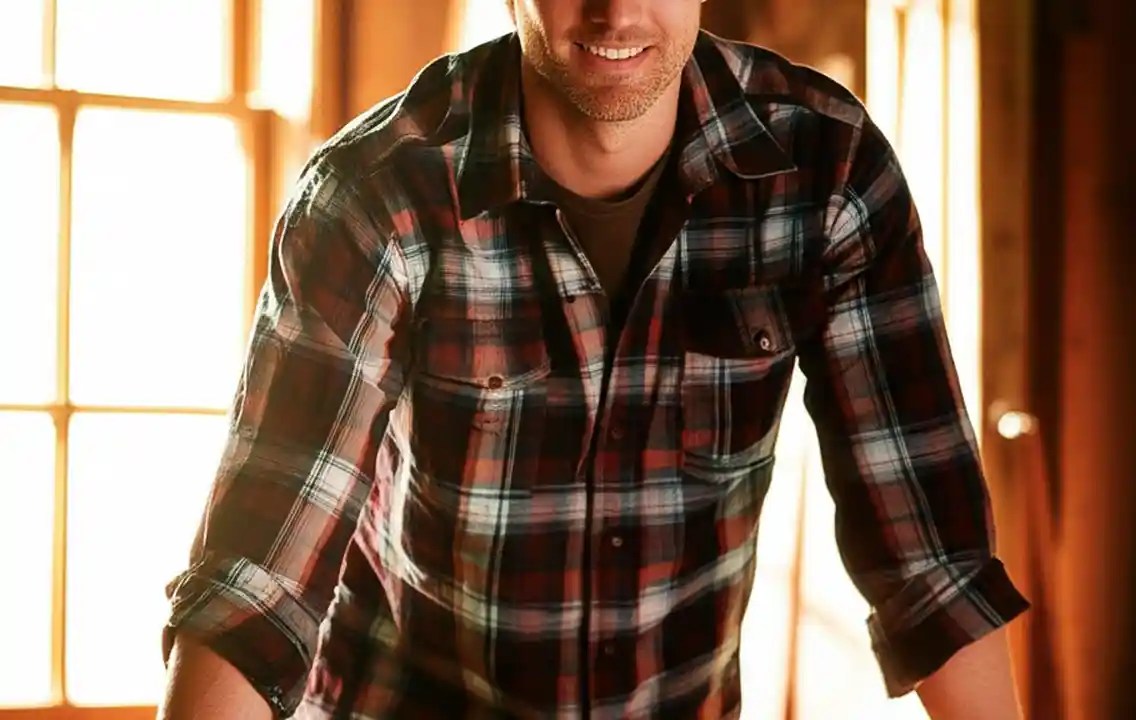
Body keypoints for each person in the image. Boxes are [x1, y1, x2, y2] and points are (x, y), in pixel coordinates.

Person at [157, 0, 1030, 717]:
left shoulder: (828, 170)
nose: (615, 10)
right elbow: (257, 588)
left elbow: (931, 559)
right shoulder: (379, 194)